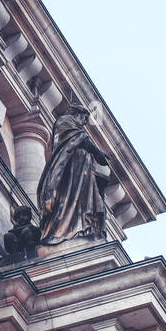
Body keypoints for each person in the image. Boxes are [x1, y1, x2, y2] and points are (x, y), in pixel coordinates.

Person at [36, 103, 109, 246]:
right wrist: (97, 152)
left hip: (81, 170)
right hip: (71, 167)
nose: (83, 124)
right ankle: (66, 229)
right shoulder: (65, 120)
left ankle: (82, 228)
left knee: (83, 199)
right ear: (78, 114)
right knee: (69, 198)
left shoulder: (76, 129)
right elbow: (76, 137)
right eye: (83, 120)